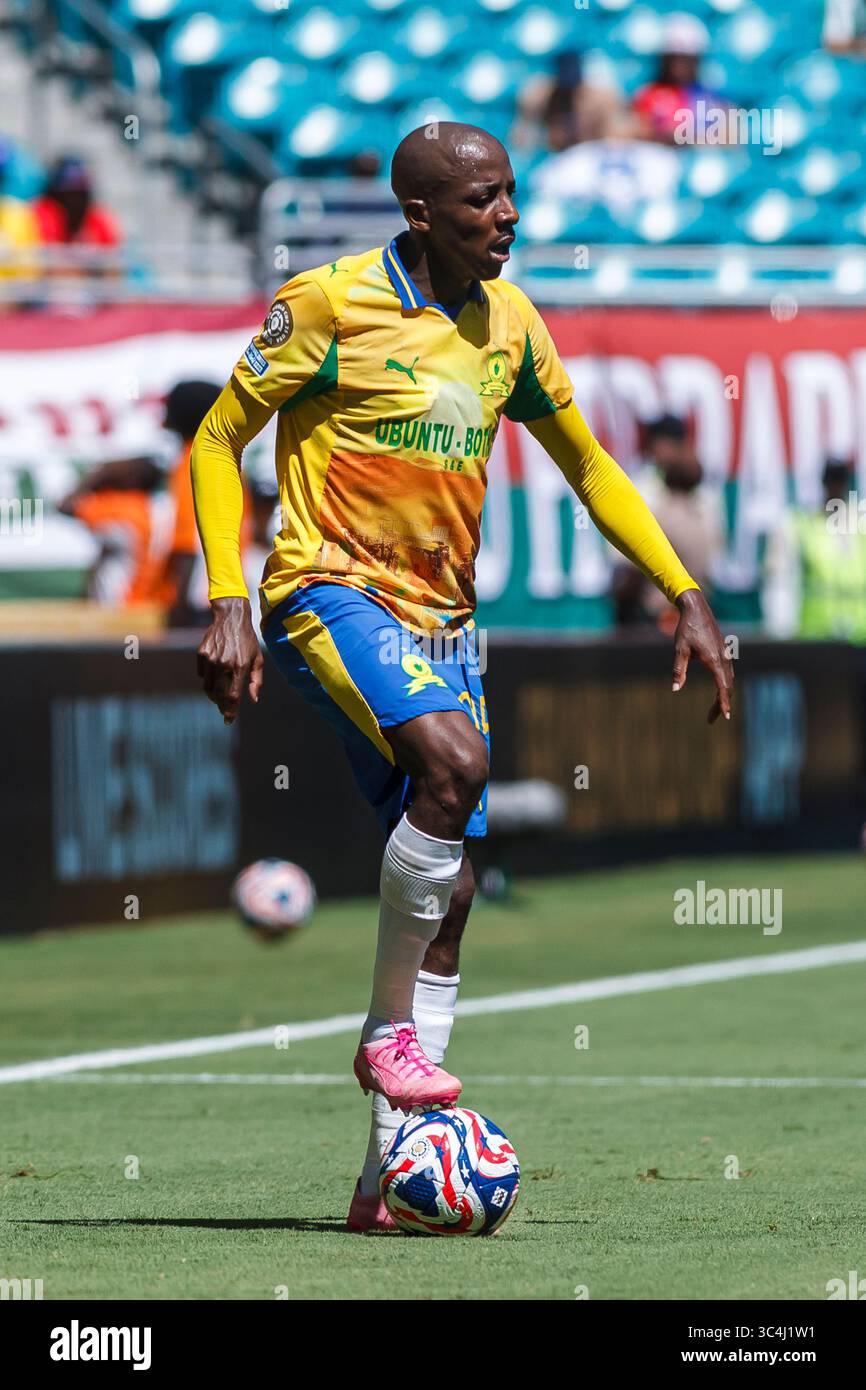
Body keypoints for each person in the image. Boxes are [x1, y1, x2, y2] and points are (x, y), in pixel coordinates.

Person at [190, 123, 733, 1232]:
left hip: (444, 625)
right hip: (328, 592)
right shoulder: (329, 304)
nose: (508, 216)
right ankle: (388, 1044)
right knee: (456, 762)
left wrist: (684, 590)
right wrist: (226, 598)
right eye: (483, 200)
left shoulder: (510, 323)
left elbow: (584, 462)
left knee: (456, 891)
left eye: (510, 194)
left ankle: (383, 1176)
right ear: (419, 213)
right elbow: (213, 439)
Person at [612, 414, 724, 629]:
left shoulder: (701, 503)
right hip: (684, 616)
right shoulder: (645, 490)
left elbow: (629, 570)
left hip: (666, 616)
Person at [764, 458, 866, 642]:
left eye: (839, 481)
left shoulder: (860, 525)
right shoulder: (802, 525)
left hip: (860, 638)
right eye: (832, 481)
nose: (835, 487)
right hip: (816, 638)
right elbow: (781, 583)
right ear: (823, 482)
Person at [632, 14, 723, 145]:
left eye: (686, 59)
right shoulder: (645, 94)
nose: (678, 65)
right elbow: (633, 132)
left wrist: (682, 137)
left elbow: (728, 137)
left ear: (697, 60)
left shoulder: (712, 99)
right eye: (673, 58)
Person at [511, 48, 620, 153]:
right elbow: (520, 139)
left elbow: (613, 139)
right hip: (553, 156)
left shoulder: (599, 98)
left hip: (588, 156)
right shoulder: (539, 95)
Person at [31, 155, 121, 271]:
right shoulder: (42, 215)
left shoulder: (98, 219)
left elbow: (113, 266)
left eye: (80, 194)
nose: (75, 201)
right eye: (68, 194)